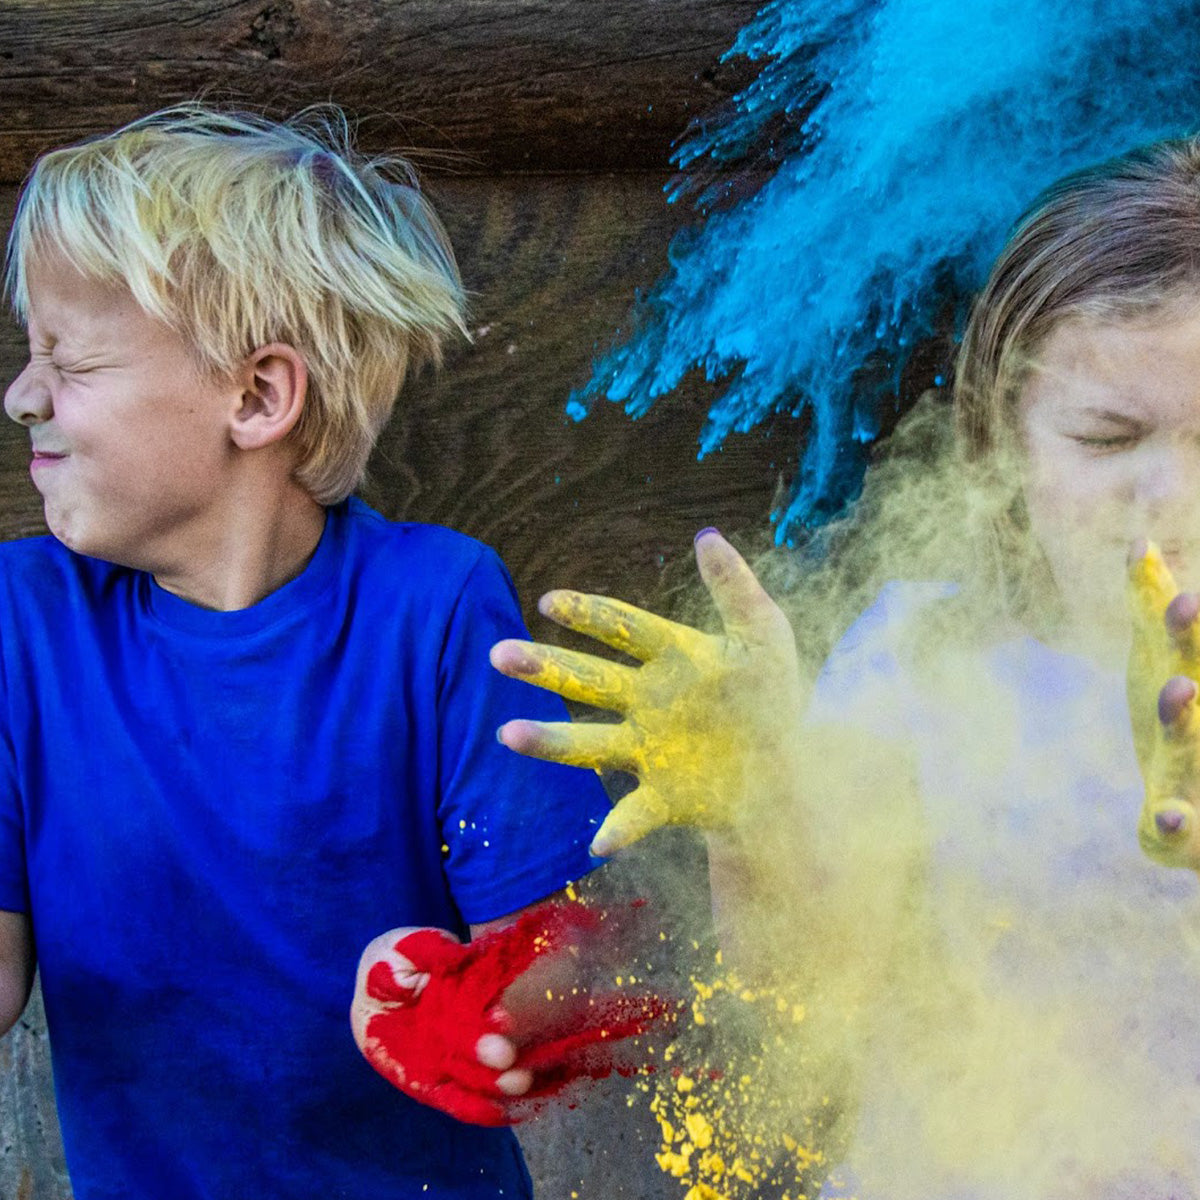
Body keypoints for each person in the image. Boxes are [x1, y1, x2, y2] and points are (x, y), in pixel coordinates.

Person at [491, 135, 1200, 1197]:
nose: (1171, 498)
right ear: (1005, 448)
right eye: (1106, 437)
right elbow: (804, 991)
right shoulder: (919, 657)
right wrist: (755, 810)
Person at [0, 103, 620, 1199]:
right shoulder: (22, 622)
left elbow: (555, 962)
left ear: (256, 396)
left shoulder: (434, 610)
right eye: (28, 353)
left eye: (70, 358)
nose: (22, 395)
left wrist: (465, 1004)